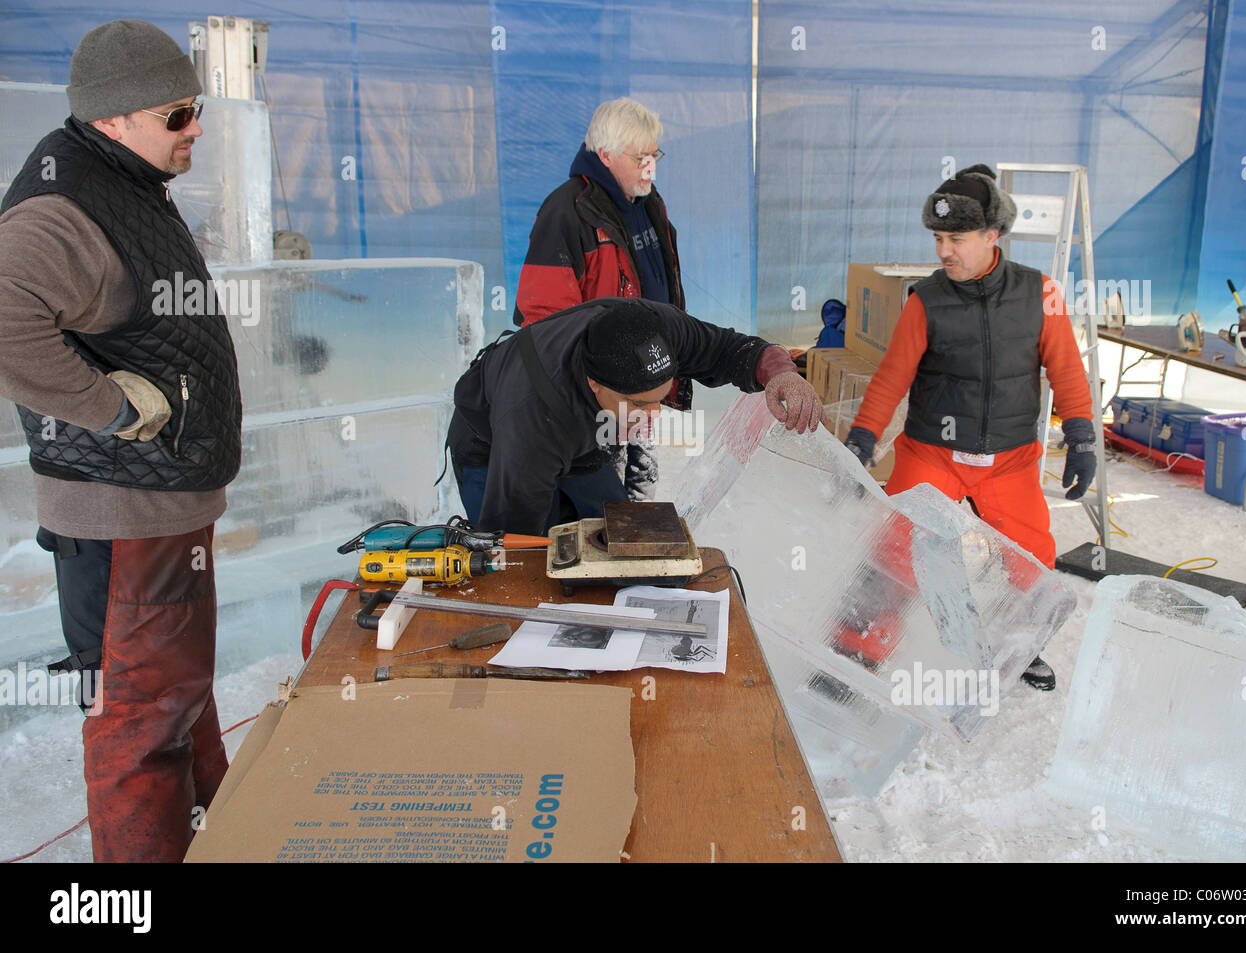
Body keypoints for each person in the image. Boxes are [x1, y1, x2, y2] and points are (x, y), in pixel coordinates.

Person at [0, 20, 243, 861]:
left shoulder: (121, 181)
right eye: (178, 114)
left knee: (175, 696)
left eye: (197, 108)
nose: (196, 128)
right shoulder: (64, 208)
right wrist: (104, 405)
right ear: (113, 120)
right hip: (124, 519)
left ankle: (224, 833)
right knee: (140, 726)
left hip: (159, 507)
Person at [844, 164, 1096, 691]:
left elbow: (1067, 370)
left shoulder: (1041, 294)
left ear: (991, 235)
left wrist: (1080, 437)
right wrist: (863, 438)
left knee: (1032, 562)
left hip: (1010, 460)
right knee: (896, 547)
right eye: (938, 238)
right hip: (931, 455)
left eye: (955, 238)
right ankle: (858, 647)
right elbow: (891, 378)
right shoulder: (925, 300)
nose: (943, 251)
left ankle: (1022, 648)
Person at [449, 297, 823, 536]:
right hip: (492, 443)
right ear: (595, 383)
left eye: (659, 399)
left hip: (585, 433)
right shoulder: (530, 419)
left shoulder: (658, 329)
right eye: (639, 405)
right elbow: (516, 545)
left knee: (620, 537)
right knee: (542, 552)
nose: (652, 417)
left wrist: (780, 372)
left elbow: (728, 349)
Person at [513, 97, 684, 503]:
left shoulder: (648, 203)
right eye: (640, 156)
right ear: (604, 155)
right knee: (603, 500)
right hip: (599, 394)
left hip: (644, 381)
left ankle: (638, 545)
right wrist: (586, 390)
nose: (650, 167)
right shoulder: (567, 212)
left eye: (654, 154)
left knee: (642, 489)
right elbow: (542, 319)